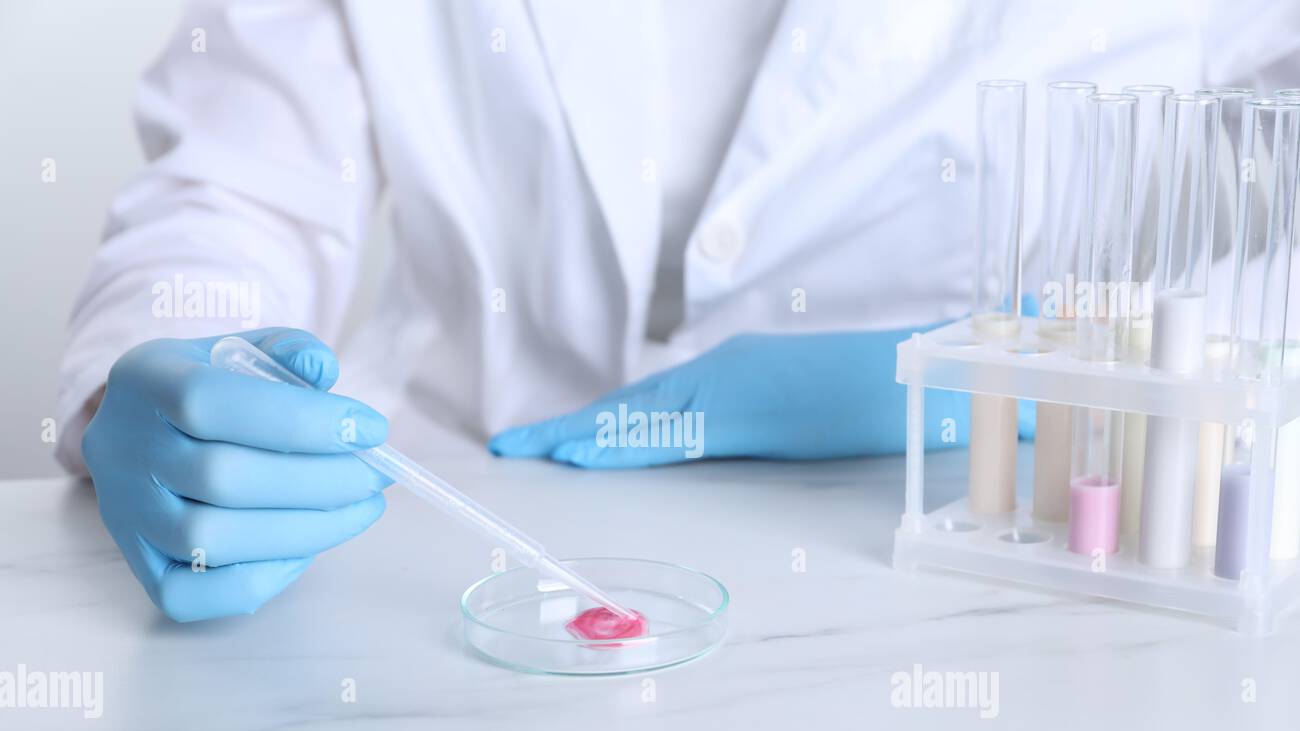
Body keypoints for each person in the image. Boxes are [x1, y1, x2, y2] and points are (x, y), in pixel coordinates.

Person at [58, 0, 1295, 620]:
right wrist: (160, 364)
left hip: (979, 545)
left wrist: (1024, 370)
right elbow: (239, 189)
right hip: (441, 523)